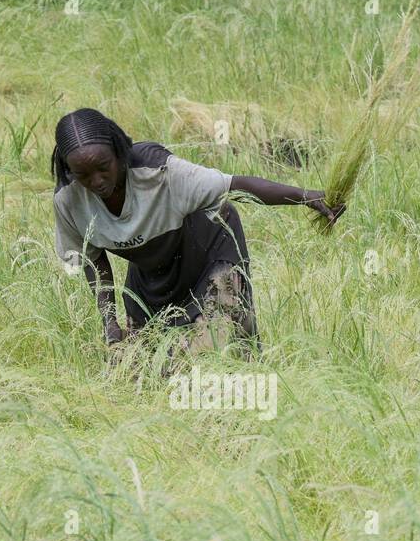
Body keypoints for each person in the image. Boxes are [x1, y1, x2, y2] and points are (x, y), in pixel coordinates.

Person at [50, 108, 344, 359]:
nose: (97, 181)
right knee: (142, 368)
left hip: (206, 252)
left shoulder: (161, 172)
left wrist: (307, 197)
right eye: (83, 175)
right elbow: (93, 260)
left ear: (119, 153)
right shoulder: (69, 200)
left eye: (104, 168)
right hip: (152, 277)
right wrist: (109, 322)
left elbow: (237, 186)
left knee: (220, 353)